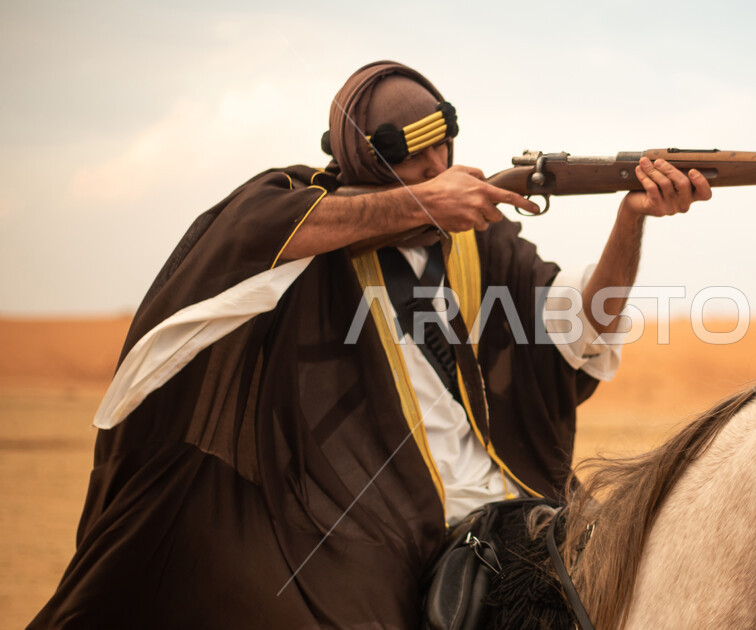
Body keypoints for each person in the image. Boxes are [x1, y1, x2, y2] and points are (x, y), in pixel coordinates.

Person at [31, 61, 711, 628]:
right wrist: (418, 207)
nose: (439, 165)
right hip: (362, 526)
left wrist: (632, 220)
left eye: (444, 147)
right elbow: (240, 236)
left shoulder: (485, 244)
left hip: (510, 511)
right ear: (365, 159)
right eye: (415, 158)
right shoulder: (315, 230)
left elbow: (582, 328)